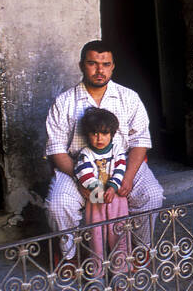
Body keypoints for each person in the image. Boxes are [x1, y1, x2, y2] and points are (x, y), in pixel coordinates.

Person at [45, 41, 165, 262]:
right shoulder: (64, 102)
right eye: (92, 63)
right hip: (76, 166)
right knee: (58, 205)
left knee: (152, 195)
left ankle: (139, 249)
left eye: (105, 64)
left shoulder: (129, 97)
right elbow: (56, 149)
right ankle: (68, 255)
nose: (99, 70)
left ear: (112, 66)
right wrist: (82, 179)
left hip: (121, 163)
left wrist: (127, 178)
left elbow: (140, 140)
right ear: (82, 65)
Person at [73, 107, 131, 271]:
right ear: (88, 134)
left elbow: (120, 169)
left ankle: (121, 269)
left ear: (112, 134)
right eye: (94, 133)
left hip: (117, 197)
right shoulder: (86, 153)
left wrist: (112, 188)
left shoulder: (117, 150)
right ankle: (96, 272)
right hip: (95, 198)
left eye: (104, 133)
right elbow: (84, 173)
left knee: (119, 232)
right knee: (96, 236)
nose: (99, 138)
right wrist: (96, 190)